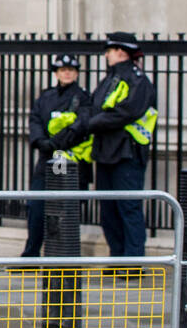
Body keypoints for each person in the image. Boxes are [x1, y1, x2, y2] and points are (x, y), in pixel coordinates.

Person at [53, 32, 158, 260]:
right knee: (108, 211)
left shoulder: (137, 80)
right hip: (104, 152)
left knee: (128, 208)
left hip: (127, 153)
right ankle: (117, 257)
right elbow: (92, 107)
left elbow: (124, 113)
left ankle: (132, 262)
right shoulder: (109, 80)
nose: (107, 56)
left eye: (108, 52)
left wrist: (89, 124)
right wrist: (74, 128)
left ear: (120, 52)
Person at [21, 53, 91, 259]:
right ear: (56, 73)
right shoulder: (46, 96)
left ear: (76, 73)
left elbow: (82, 123)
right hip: (47, 158)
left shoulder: (83, 97)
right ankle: (31, 254)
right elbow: (35, 119)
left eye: (70, 70)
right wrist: (41, 141)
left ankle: (62, 254)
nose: (66, 73)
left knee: (66, 208)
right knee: (36, 206)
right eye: (62, 70)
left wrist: (56, 142)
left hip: (67, 159)